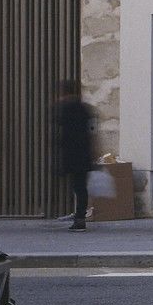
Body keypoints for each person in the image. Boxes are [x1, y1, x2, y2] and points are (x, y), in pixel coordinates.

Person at [50, 78, 97, 231]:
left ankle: (78, 218)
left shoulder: (63, 108)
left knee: (77, 186)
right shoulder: (85, 108)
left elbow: (57, 123)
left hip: (70, 153)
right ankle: (80, 217)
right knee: (81, 187)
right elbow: (92, 131)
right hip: (83, 153)